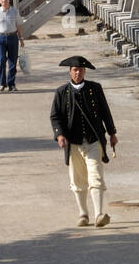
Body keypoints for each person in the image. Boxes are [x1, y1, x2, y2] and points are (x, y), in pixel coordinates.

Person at [50, 55, 117, 227]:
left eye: (80, 70)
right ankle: (83, 213)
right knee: (77, 179)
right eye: (74, 70)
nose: (77, 73)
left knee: (96, 177)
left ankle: (99, 214)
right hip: (73, 142)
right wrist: (60, 135)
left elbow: (105, 112)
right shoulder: (61, 92)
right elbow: (55, 117)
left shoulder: (95, 89)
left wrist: (112, 133)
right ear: (70, 72)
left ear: (85, 71)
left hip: (94, 140)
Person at [0, 0, 24, 91]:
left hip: (13, 37)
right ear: (0, 1)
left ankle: (11, 84)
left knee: (13, 62)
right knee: (1, 61)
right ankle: (2, 83)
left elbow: (19, 25)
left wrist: (21, 38)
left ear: (9, 0)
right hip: (0, 38)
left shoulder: (14, 11)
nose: (4, 0)